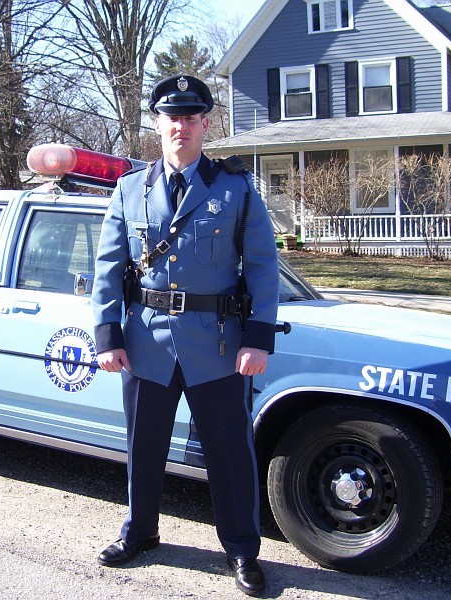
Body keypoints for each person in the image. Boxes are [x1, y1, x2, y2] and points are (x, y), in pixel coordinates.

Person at [91, 74, 280, 597]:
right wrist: (108, 336)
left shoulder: (235, 187)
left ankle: (241, 549)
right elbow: (109, 267)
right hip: (147, 342)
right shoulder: (130, 189)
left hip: (218, 345)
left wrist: (257, 337)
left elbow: (263, 266)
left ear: (206, 124)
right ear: (157, 123)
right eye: (171, 117)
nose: (181, 126)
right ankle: (141, 532)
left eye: (191, 117)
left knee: (229, 453)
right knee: (143, 446)